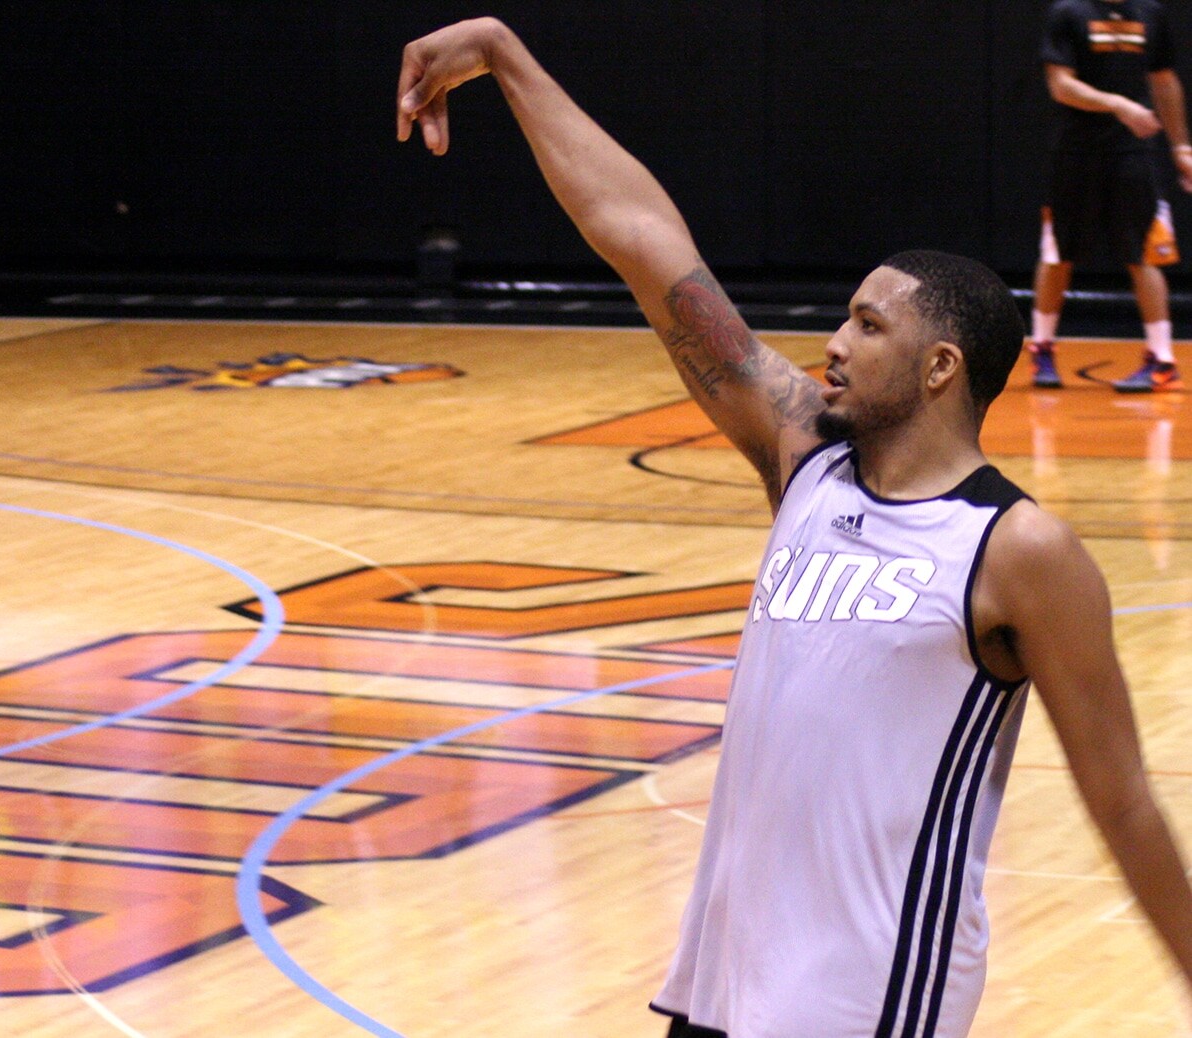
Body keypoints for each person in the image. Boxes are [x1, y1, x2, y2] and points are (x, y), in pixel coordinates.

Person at [396, 18, 1192, 1037]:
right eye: (846, 316)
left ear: (941, 367)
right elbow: (641, 234)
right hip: (722, 986)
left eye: (870, 324)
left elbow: (1123, 800)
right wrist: (506, 56)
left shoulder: (1019, 550)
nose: (835, 342)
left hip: (869, 1000)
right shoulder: (808, 460)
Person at [1031, 0, 1192, 392]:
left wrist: (1181, 147)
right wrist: (1117, 105)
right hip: (1075, 152)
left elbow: (1164, 81)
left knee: (1144, 253)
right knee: (1057, 252)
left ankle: (1162, 359)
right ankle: (1043, 348)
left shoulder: (1150, 13)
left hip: (1132, 153)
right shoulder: (1069, 13)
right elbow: (1061, 85)